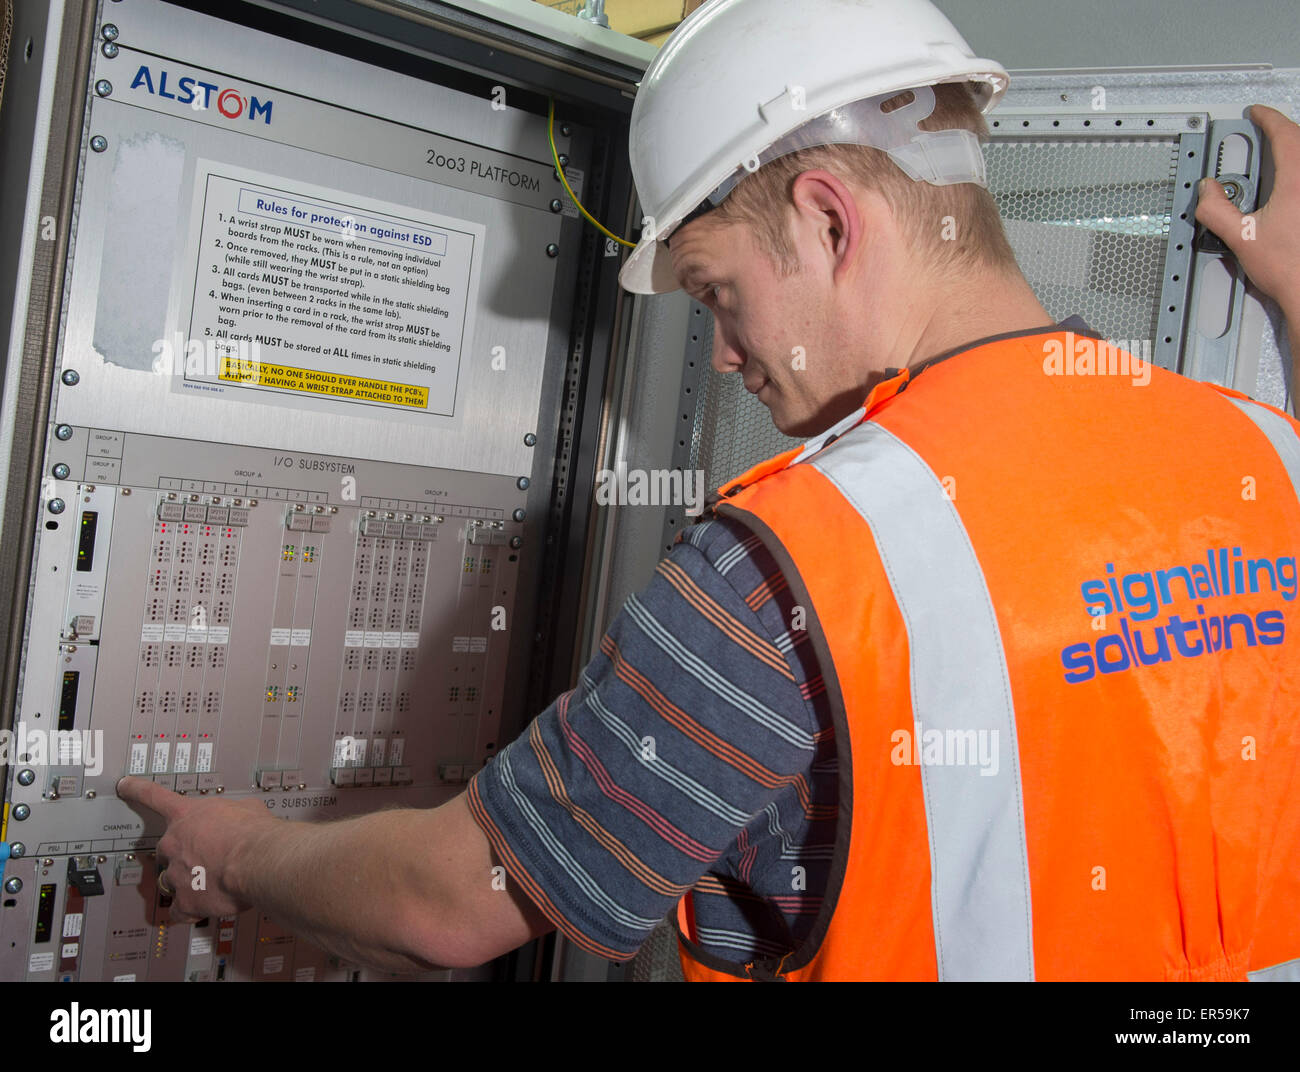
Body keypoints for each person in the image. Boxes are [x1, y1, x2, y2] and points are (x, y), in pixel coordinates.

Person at [118, 0, 1300, 980]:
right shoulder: (1268, 453)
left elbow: (450, 902)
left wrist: (241, 846)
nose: (725, 356)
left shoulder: (788, 573)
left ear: (828, 220)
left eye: (715, 290)